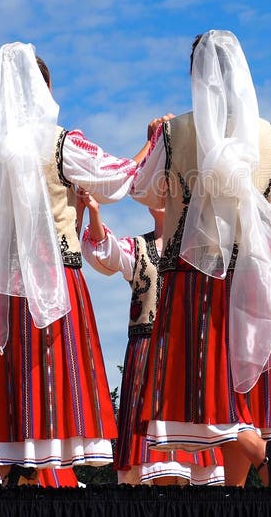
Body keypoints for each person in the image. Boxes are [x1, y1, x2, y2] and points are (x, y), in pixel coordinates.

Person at [0, 44, 146, 485]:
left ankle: (12, 479)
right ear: (44, 90)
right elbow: (115, 178)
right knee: (51, 381)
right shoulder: (61, 141)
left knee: (8, 385)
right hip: (54, 275)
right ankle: (43, 484)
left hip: (1, 284)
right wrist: (149, 145)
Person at [132, 30, 271, 486]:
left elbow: (143, 190)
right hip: (258, 270)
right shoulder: (268, 133)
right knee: (246, 390)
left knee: (207, 392)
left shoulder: (177, 131)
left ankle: (259, 452)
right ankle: (251, 480)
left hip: (197, 274)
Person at [82, 193, 224, 486]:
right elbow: (105, 251)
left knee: (187, 449)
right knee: (150, 454)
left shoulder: (197, 248)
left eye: (166, 190)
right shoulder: (138, 247)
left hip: (183, 355)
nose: (158, 196)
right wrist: (94, 212)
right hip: (146, 353)